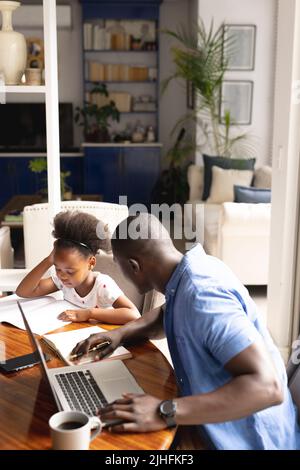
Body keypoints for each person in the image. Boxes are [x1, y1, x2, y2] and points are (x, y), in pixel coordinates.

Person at [72, 213, 300, 450]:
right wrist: (120, 334)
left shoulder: (202, 296)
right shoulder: (191, 273)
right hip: (216, 425)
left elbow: (268, 387)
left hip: (253, 440)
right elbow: (166, 313)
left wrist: (164, 411)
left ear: (133, 266)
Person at [16, 211, 139, 325]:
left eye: (70, 271)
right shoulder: (62, 282)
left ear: (91, 263)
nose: (62, 275)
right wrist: (48, 260)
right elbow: (24, 292)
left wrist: (88, 313)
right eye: (58, 268)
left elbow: (134, 315)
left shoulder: (102, 285)